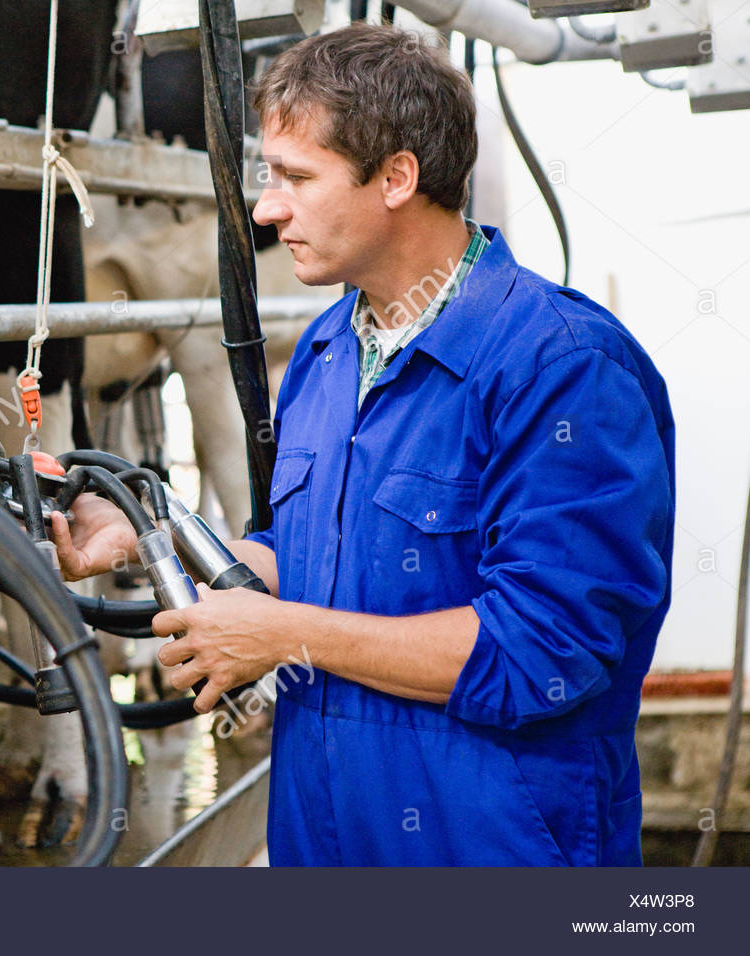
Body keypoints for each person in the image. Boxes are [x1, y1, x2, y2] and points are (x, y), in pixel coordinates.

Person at [48, 22, 675, 866]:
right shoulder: (327, 351)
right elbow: (305, 557)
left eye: (295, 179)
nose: (266, 209)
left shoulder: (562, 366)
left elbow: (543, 650)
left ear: (397, 178)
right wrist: (152, 539)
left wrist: (283, 637)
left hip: (492, 848)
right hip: (327, 836)